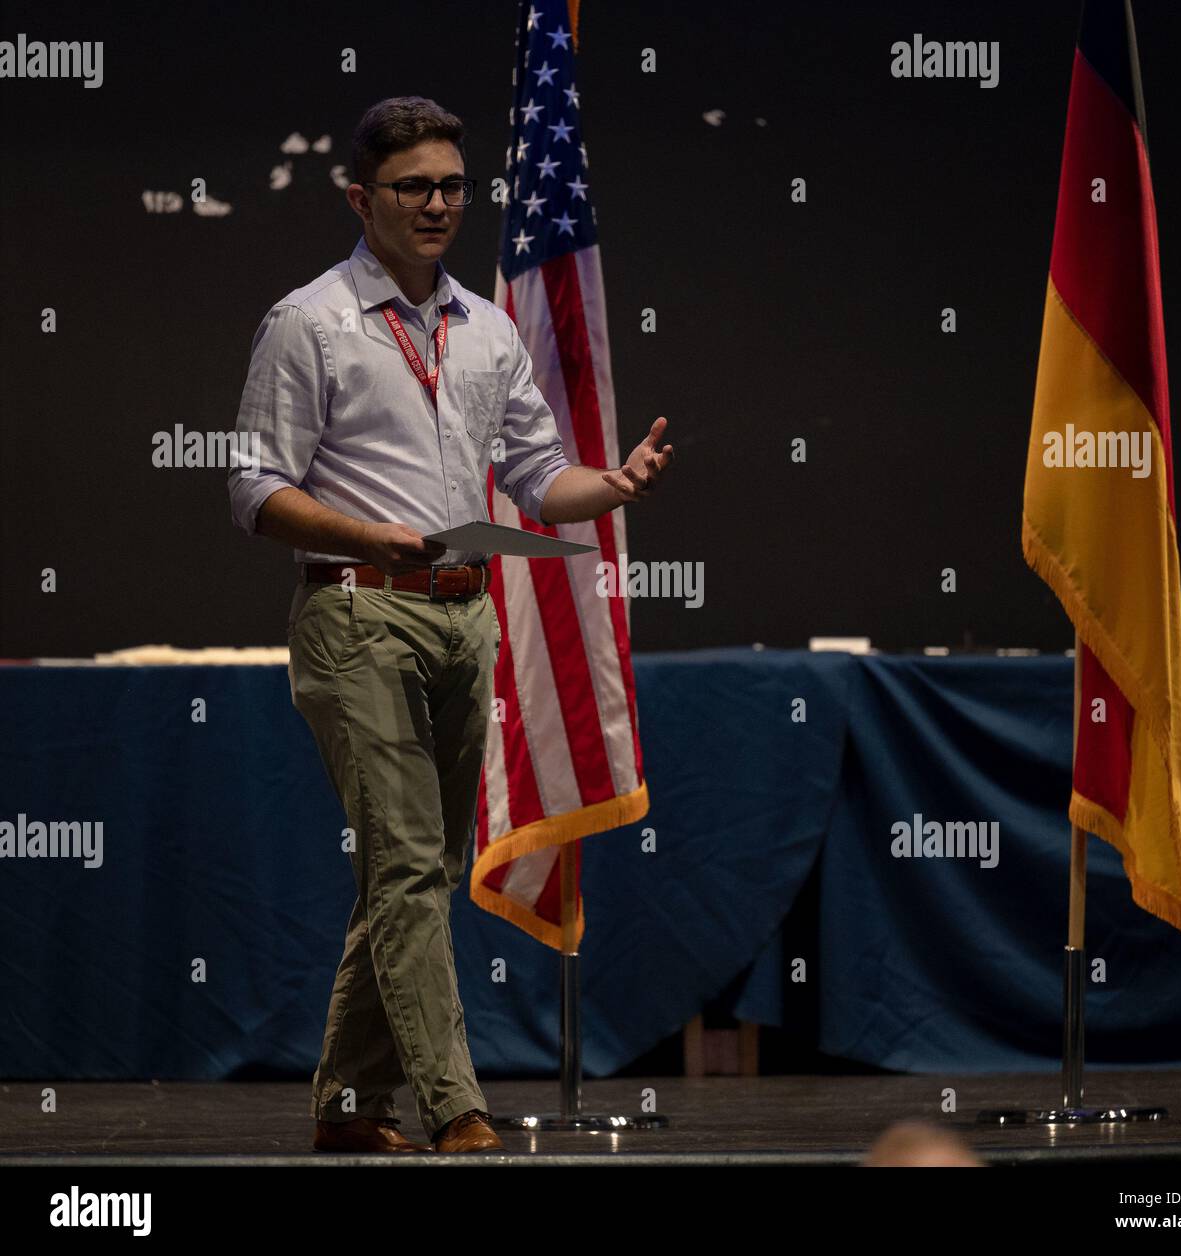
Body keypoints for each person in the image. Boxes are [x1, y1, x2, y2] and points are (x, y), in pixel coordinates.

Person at [227, 96, 673, 1153]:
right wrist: (364, 533)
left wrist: (606, 484)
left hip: (463, 620)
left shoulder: (486, 326)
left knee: (404, 870)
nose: (437, 204)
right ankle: (457, 1106)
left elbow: (532, 474)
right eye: (413, 186)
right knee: (411, 864)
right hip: (354, 613)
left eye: (451, 186)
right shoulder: (310, 320)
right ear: (359, 198)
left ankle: (348, 1108)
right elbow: (251, 486)